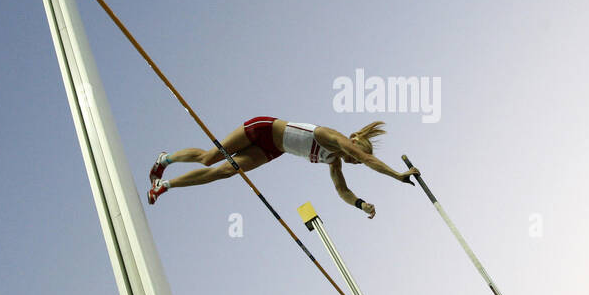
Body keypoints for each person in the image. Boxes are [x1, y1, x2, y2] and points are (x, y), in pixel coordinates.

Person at [147, 118, 418, 218]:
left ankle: (164, 186)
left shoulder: (332, 161)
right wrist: (397, 175)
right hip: (262, 129)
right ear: (354, 143)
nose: (356, 162)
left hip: (274, 149)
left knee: (226, 172)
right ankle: (164, 159)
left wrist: (361, 205)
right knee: (209, 158)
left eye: (357, 162)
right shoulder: (332, 137)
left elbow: (342, 190)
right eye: (357, 157)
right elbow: (370, 160)